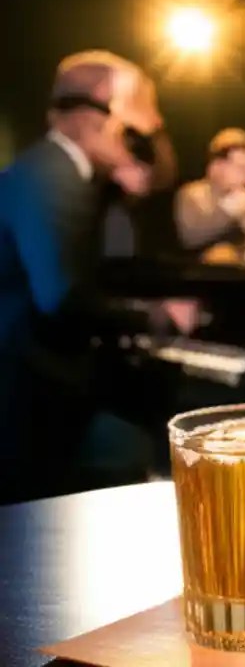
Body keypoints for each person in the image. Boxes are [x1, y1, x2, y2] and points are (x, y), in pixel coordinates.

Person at [0, 51, 184, 503]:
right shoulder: (53, 177)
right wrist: (152, 316)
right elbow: (60, 299)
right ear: (94, 116)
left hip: (38, 389)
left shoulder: (60, 172)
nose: (148, 132)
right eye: (137, 123)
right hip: (25, 403)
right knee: (132, 453)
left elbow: (156, 177)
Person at [174, 128, 245, 254]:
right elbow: (190, 238)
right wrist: (228, 210)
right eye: (241, 168)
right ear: (216, 166)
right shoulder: (192, 194)